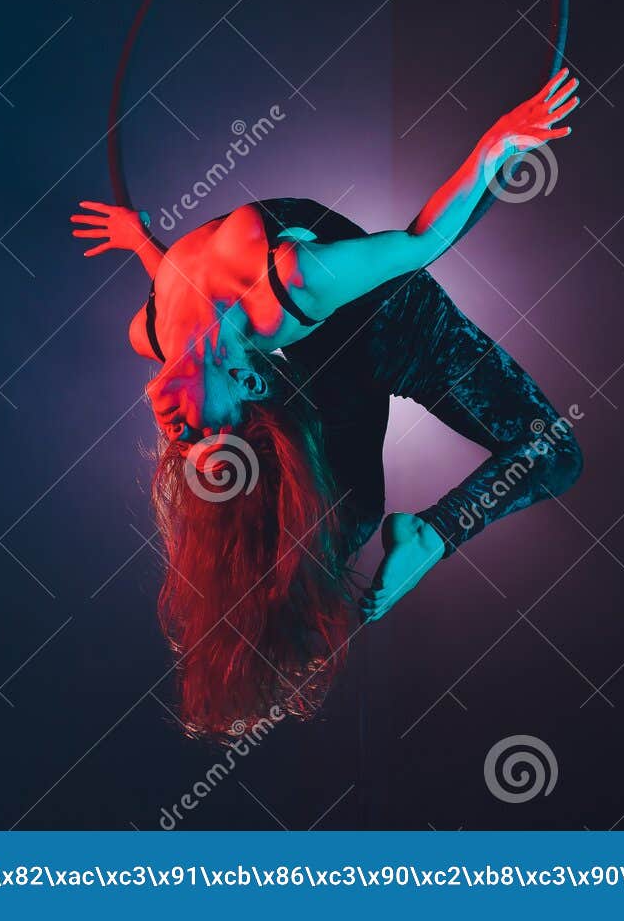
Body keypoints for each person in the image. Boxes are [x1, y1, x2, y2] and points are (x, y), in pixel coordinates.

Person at [70, 71, 584, 737]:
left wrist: (142, 242)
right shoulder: (283, 293)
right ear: (247, 384)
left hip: (372, 351)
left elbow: (413, 248)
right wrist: (495, 145)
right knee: (535, 460)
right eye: (203, 431)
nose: (177, 432)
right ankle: (412, 544)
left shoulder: (156, 328)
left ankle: (423, 533)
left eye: (184, 439)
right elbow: (422, 240)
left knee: (367, 515)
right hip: (370, 352)